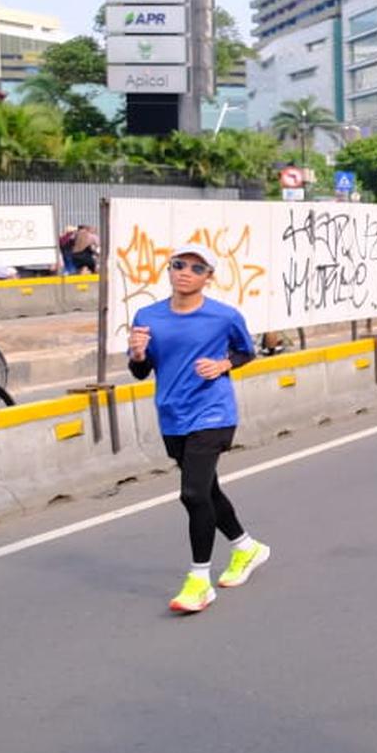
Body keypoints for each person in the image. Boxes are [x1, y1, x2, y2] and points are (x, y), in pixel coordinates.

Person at [123, 241, 265, 613]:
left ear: (208, 278)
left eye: (196, 268)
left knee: (191, 494)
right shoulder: (148, 315)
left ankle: (198, 580)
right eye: (179, 264)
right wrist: (137, 353)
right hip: (172, 414)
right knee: (207, 491)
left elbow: (246, 351)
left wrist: (223, 366)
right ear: (169, 269)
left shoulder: (223, 316)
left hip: (213, 413)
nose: (185, 272)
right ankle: (247, 548)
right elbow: (141, 370)